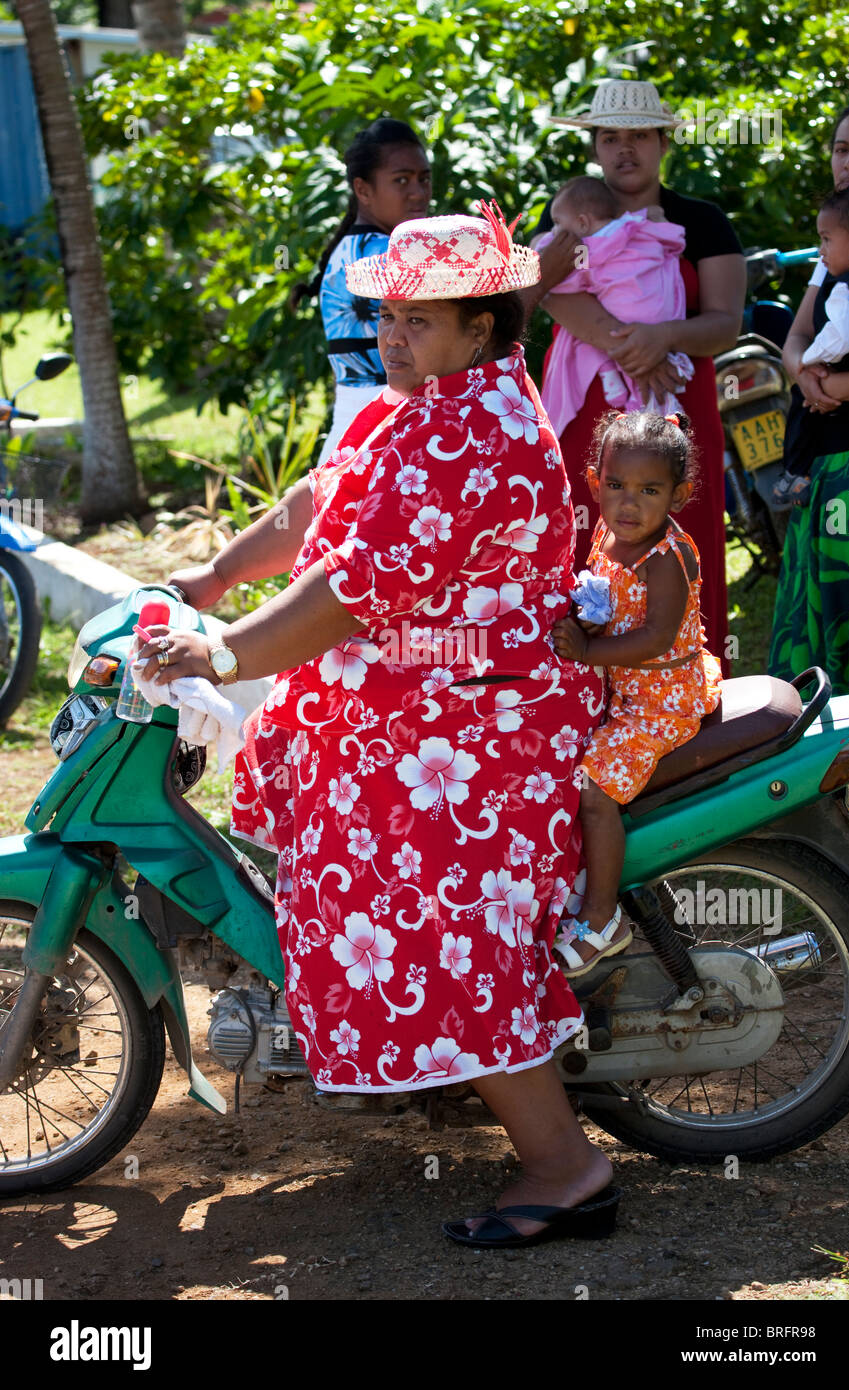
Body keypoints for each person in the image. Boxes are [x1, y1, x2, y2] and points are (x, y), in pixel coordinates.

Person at [143, 206, 620, 1249]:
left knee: (438, 923)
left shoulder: (475, 430)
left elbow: (349, 593)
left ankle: (565, 1166)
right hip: (416, 706)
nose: (390, 338)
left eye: (416, 320)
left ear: (483, 325)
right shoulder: (417, 406)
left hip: (477, 726)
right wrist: (212, 578)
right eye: (386, 316)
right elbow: (320, 504)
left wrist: (221, 653)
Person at [524, 79, 745, 668]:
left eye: (640, 135)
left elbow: (725, 323)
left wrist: (661, 338)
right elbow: (536, 294)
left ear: (664, 142)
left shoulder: (702, 222)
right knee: (581, 539)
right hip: (587, 417)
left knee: (682, 537)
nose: (625, 149)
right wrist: (624, 344)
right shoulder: (574, 217)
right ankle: (576, 694)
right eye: (610, 136)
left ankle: (688, 696)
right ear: (594, 146)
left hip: (675, 407)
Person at [551, 411, 722, 975]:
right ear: (595, 484)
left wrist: (588, 652)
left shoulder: (666, 558)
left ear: (680, 494)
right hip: (623, 689)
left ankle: (604, 919)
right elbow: (604, 599)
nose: (629, 504)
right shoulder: (609, 532)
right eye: (618, 487)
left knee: (595, 792)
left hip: (660, 702)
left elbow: (655, 638)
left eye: (649, 490)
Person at [769, 101, 849, 694]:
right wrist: (803, 375)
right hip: (825, 466)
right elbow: (797, 336)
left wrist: (836, 387)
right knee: (822, 633)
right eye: (841, 149)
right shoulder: (832, 247)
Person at [291, 118, 432, 465]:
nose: (418, 192)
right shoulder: (389, 254)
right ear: (363, 190)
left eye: (424, 178)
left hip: (359, 429)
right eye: (401, 180)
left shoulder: (355, 247)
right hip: (384, 434)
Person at [535, 174, 694, 431]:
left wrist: (544, 261)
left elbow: (551, 285)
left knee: (587, 344)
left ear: (583, 223)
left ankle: (625, 391)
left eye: (557, 224)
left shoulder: (589, 248)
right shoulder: (636, 227)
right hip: (659, 317)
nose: (554, 230)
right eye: (610, 138)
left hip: (628, 328)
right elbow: (674, 240)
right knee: (658, 406)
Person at [771, 182, 849, 507]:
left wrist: (812, 364)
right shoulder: (838, 275)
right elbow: (798, 336)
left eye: (826, 240)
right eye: (841, 150)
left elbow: (841, 336)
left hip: (846, 417)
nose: (820, 250)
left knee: (801, 405)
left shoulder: (846, 286)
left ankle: (795, 472)